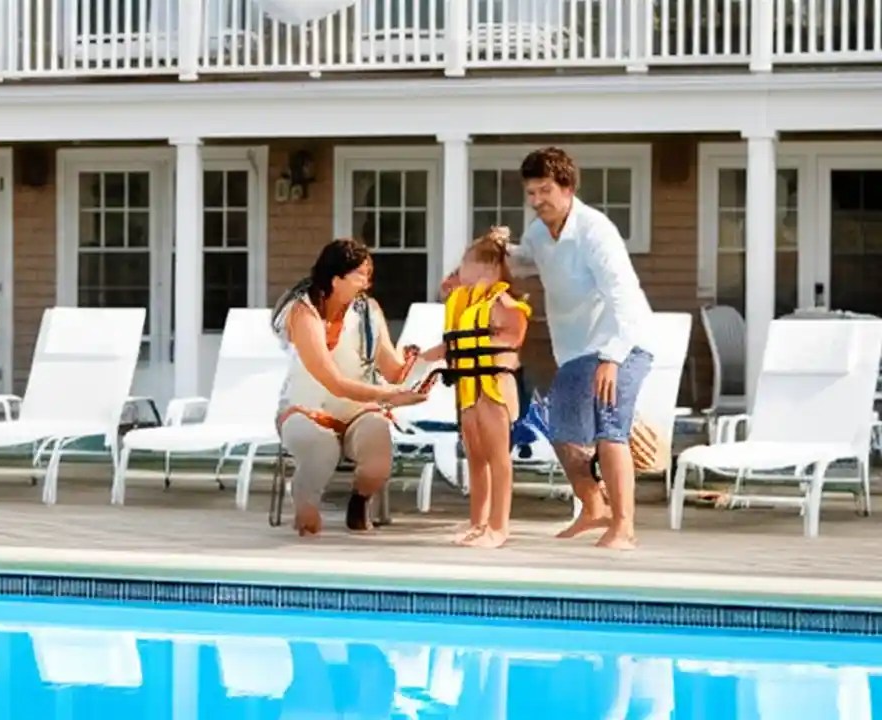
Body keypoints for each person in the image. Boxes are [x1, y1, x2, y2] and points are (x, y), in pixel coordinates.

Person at [507, 146, 655, 551]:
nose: (537, 202)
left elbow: (623, 297)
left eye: (545, 191)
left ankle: (623, 527)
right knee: (559, 428)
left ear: (568, 187)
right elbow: (524, 263)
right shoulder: (538, 232)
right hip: (575, 352)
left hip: (624, 341)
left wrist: (612, 357)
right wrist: (500, 250)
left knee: (610, 427)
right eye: (531, 193)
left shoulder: (596, 231)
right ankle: (593, 507)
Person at [271, 238, 429, 537]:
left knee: (377, 457)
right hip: (305, 409)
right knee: (322, 449)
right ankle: (304, 505)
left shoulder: (368, 312)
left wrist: (421, 359)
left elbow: (393, 372)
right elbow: (335, 382)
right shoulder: (303, 312)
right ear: (336, 277)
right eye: (360, 274)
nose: (367, 283)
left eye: (369, 274)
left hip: (357, 410)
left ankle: (360, 500)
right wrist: (393, 397)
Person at [433, 226, 533, 548]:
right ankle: (478, 522)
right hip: (467, 387)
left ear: (489, 269)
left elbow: (514, 336)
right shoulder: (463, 303)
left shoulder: (501, 302)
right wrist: (419, 358)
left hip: (494, 386)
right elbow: (453, 344)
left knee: (497, 458)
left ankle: (499, 526)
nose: (459, 270)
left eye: (466, 264)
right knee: (475, 457)